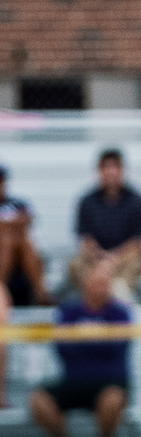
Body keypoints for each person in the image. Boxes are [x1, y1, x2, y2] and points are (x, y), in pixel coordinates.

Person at [33, 257, 133, 437]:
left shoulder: (119, 312)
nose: (102, 287)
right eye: (97, 282)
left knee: (113, 399)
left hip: (109, 380)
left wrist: (84, 339)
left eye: (106, 282)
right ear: (85, 284)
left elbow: (116, 350)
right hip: (74, 381)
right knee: (38, 401)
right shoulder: (69, 311)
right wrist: (97, 340)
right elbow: (62, 349)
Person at [0, 165, 52, 406]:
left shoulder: (17, 202)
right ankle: (41, 293)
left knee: (24, 242)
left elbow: (28, 221)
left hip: (18, 276)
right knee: (11, 239)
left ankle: (40, 293)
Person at [69, 148, 141, 300]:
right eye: (106, 167)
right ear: (99, 171)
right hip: (95, 257)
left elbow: (137, 242)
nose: (110, 172)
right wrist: (101, 259)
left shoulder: (137, 201)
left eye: (114, 167)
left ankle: (118, 298)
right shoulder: (87, 201)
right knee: (76, 266)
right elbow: (86, 238)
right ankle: (92, 297)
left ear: (122, 170)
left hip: (126, 258)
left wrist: (112, 260)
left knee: (130, 270)